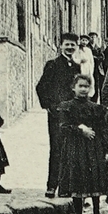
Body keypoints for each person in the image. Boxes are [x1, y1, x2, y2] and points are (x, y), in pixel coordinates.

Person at [57, 74, 108, 214]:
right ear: (73, 88)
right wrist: (80, 129)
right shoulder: (67, 107)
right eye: (81, 86)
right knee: (78, 182)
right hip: (75, 149)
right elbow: (63, 128)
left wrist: (104, 146)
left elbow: (102, 129)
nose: (84, 89)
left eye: (86, 86)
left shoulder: (96, 108)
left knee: (94, 180)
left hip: (93, 149)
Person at [36, 34, 83, 199]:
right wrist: (49, 106)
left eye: (73, 45)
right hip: (57, 115)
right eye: (67, 45)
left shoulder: (77, 67)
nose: (70, 48)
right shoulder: (53, 65)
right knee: (57, 149)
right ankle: (51, 186)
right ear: (60, 46)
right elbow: (41, 87)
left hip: (72, 115)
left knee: (71, 149)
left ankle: (65, 187)